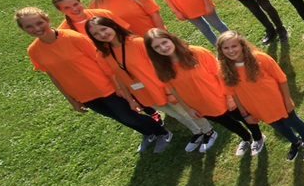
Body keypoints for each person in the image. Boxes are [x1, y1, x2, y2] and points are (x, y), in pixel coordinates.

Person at [18, 7, 171, 151]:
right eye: (29, 26)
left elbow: (104, 60)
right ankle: (148, 133)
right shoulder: (34, 50)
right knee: (120, 119)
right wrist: (72, 100)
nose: (36, 28)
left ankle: (162, 132)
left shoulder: (73, 37)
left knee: (129, 116)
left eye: (39, 22)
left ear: (47, 19)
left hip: (106, 87)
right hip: (85, 95)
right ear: (23, 29)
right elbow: (53, 75)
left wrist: (119, 86)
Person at [85, 15, 217, 153]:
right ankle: (197, 132)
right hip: (143, 92)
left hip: (162, 87)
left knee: (184, 111)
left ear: (113, 26)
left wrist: (169, 90)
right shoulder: (103, 54)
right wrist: (130, 100)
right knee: (176, 115)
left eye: (103, 29)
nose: (102, 34)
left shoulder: (137, 43)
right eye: (96, 34)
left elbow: (160, 66)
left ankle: (208, 131)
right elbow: (119, 76)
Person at [145, 28, 266, 155]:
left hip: (222, 97)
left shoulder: (197, 53)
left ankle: (258, 137)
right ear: (153, 51)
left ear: (171, 39)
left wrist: (230, 97)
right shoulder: (160, 67)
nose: (163, 48)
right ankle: (246, 138)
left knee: (242, 117)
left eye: (164, 42)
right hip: (201, 105)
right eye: (157, 47)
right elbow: (173, 88)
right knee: (227, 123)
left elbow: (220, 73)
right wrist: (188, 108)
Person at [216, 31, 304, 161]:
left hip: (278, 102)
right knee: (279, 127)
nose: (231, 51)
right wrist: (245, 114)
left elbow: (282, 79)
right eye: (226, 48)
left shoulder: (260, 59)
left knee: (293, 122)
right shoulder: (224, 70)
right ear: (221, 50)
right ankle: (295, 142)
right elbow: (233, 93)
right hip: (258, 108)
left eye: (234, 46)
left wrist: (287, 100)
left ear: (242, 45)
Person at [53, 0, 126, 34]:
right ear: (60, 10)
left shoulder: (103, 14)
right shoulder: (63, 31)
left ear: (80, 2)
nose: (74, 9)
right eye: (67, 8)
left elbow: (126, 33)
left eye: (75, 4)